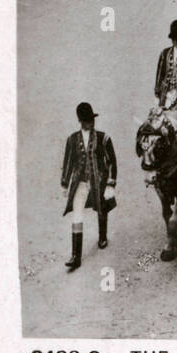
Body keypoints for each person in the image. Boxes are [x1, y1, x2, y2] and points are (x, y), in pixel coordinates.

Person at [60, 102, 117, 272]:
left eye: (91, 120)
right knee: (77, 214)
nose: (90, 123)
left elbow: (112, 162)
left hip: (98, 181)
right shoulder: (72, 139)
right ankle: (76, 256)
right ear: (80, 121)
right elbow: (68, 162)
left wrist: (110, 184)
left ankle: (102, 236)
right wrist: (64, 184)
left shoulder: (103, 138)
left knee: (101, 207)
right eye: (86, 120)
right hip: (80, 182)